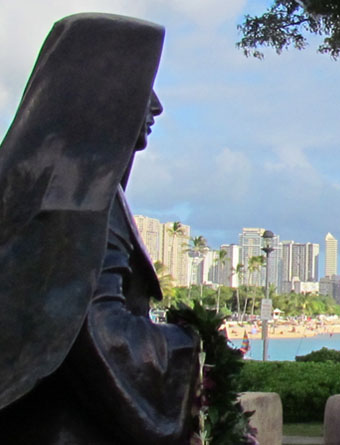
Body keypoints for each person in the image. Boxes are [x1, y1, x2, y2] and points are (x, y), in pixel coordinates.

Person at [0, 13, 199, 444]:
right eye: (143, 84)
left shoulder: (44, 189)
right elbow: (95, 329)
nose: (156, 106)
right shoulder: (81, 202)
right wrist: (186, 343)